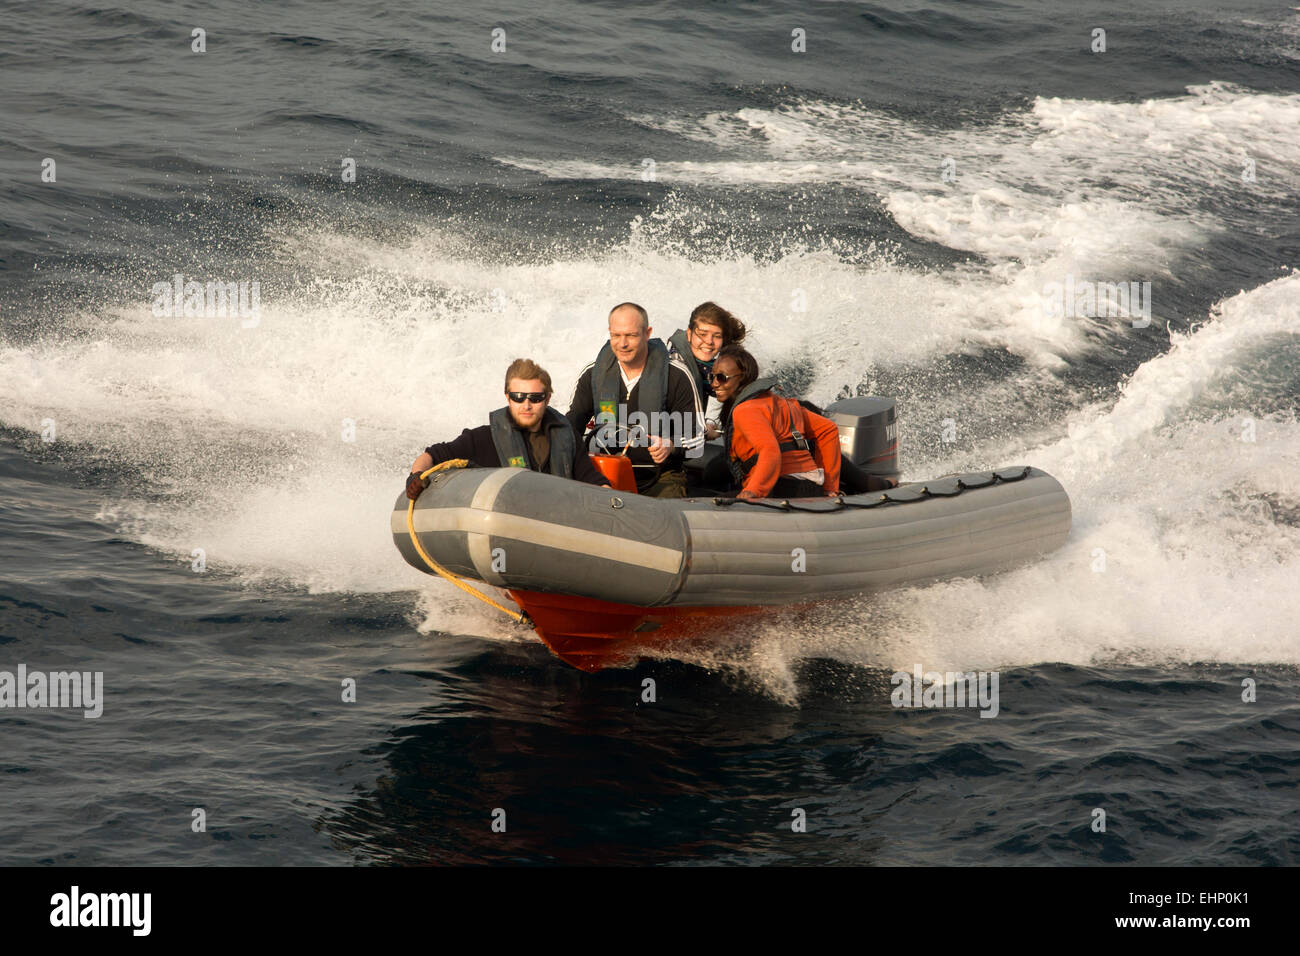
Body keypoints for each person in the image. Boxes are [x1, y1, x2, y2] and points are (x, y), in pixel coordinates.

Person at [406, 358, 609, 500]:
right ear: (507, 397)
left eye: (535, 398)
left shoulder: (566, 437)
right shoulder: (484, 438)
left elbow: (590, 478)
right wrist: (416, 476)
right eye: (518, 397)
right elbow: (432, 455)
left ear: (547, 398)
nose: (526, 405)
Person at [565, 302, 704, 497]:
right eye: (616, 335)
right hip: (603, 473)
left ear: (647, 333)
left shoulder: (676, 375)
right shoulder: (593, 374)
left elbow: (697, 439)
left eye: (631, 335)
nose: (622, 343)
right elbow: (569, 428)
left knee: (662, 517)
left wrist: (670, 445)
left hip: (661, 479)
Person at [710, 345, 841, 499]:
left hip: (780, 488)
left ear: (742, 377)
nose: (714, 384)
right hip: (810, 487)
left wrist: (753, 491)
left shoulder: (744, 410)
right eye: (711, 377)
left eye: (721, 378)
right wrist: (829, 488)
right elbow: (828, 429)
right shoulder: (784, 404)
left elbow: (770, 450)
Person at [666, 302, 747, 439]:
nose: (709, 341)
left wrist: (713, 424)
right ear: (689, 333)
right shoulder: (674, 362)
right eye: (702, 334)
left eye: (717, 336)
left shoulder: (712, 366)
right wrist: (706, 431)